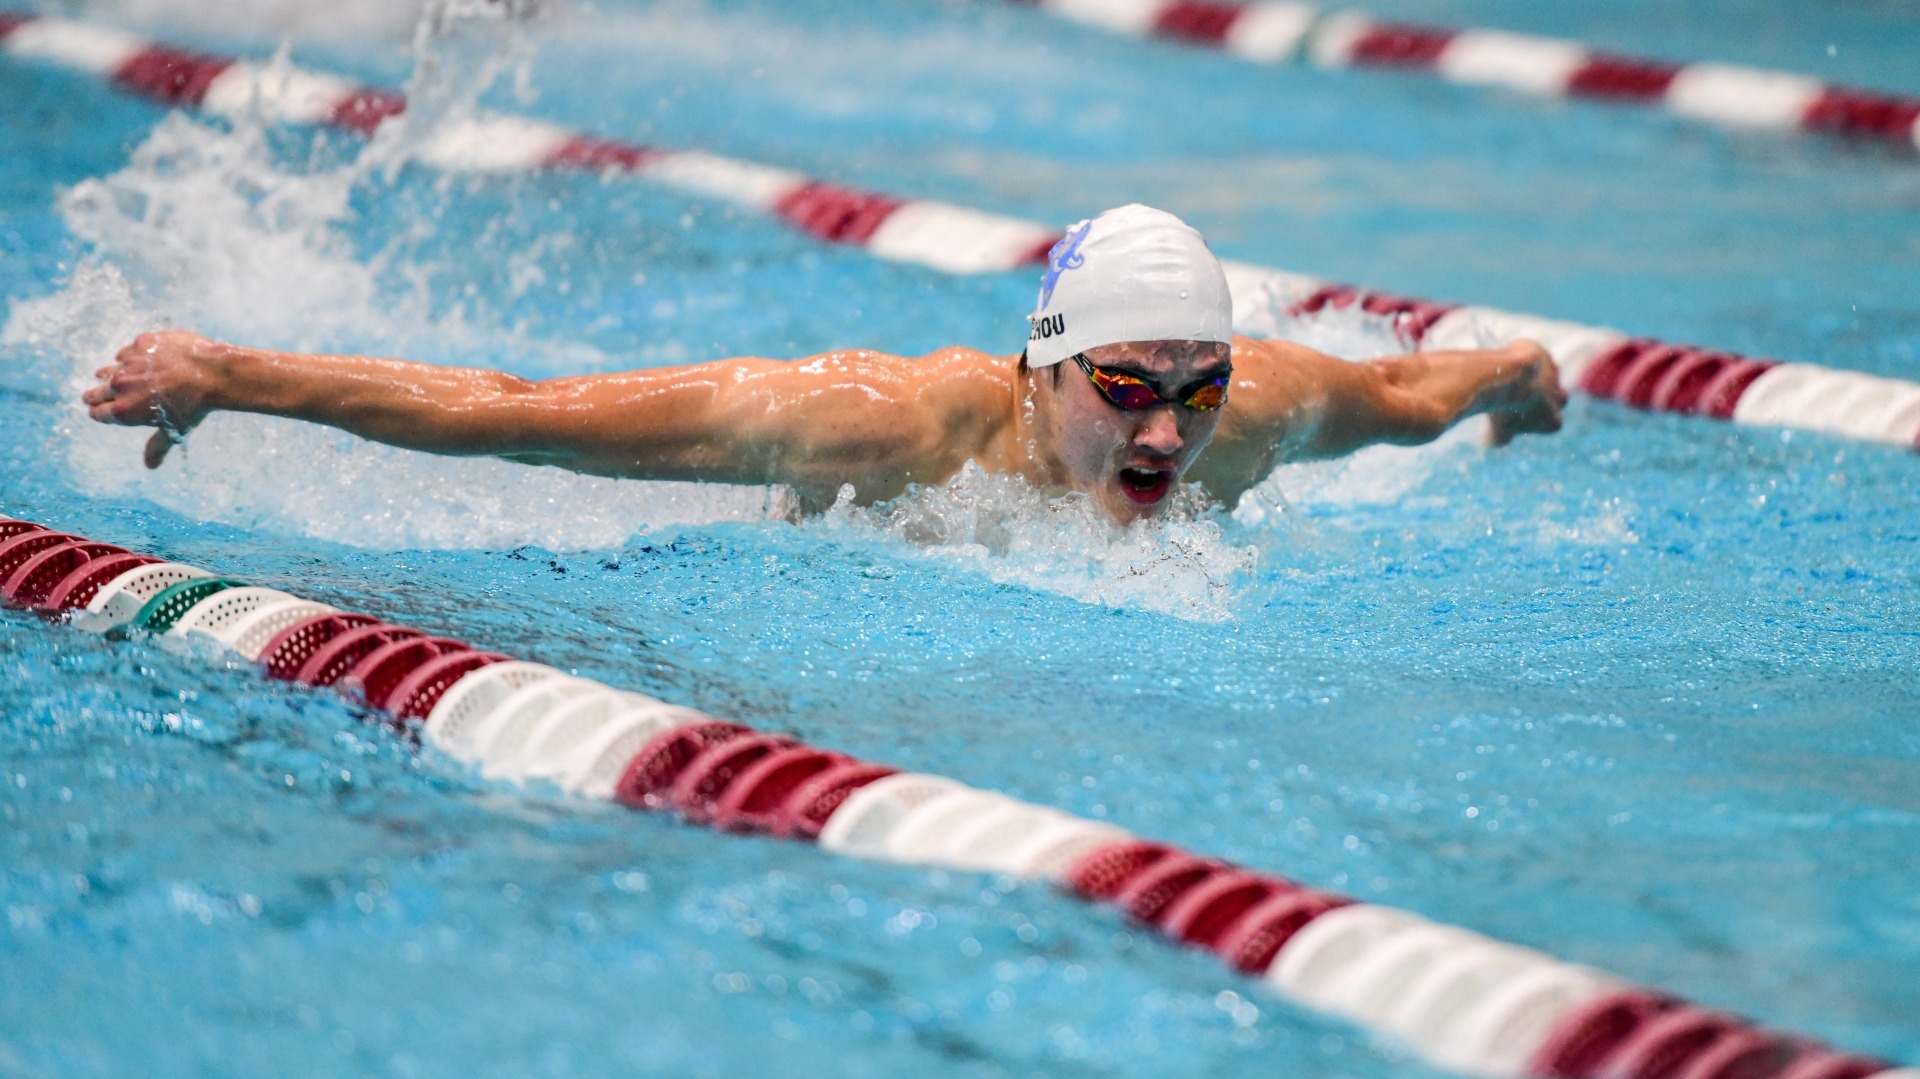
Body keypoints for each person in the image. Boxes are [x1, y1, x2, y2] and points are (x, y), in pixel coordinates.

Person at [83, 205, 1565, 522]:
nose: (1170, 431)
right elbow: (522, 418)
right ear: (1041, 367)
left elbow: (1422, 390)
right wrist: (232, 370)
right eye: (1127, 386)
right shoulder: (882, 428)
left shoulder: (1260, 420)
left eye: (1197, 387)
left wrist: (1520, 382)